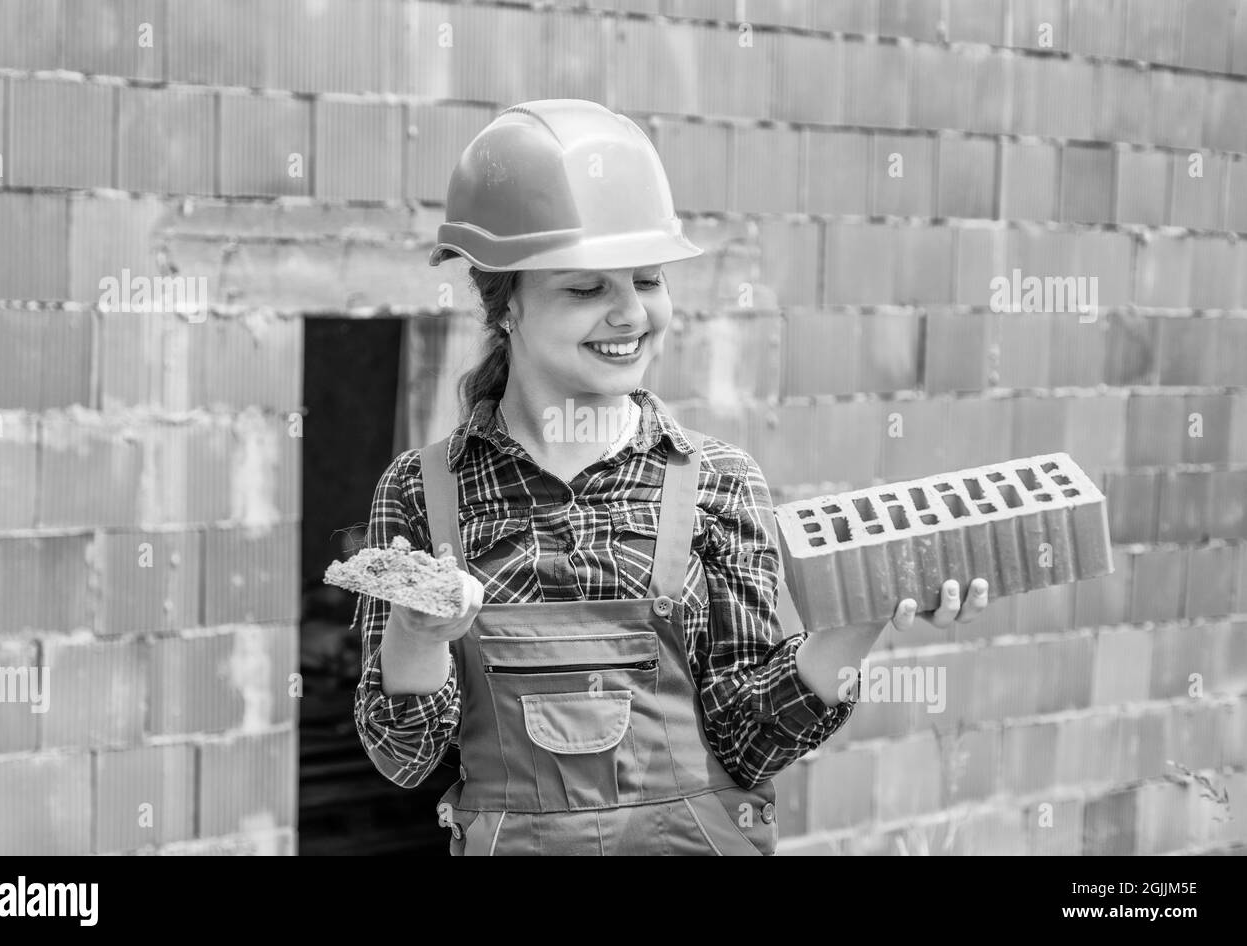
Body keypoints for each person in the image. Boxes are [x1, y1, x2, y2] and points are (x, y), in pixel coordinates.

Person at [353, 99, 989, 855]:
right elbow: (405, 757)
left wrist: (862, 619)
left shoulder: (719, 483)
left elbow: (749, 740)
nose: (632, 315)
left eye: (648, 280)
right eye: (586, 289)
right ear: (506, 305)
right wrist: (418, 635)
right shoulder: (424, 493)